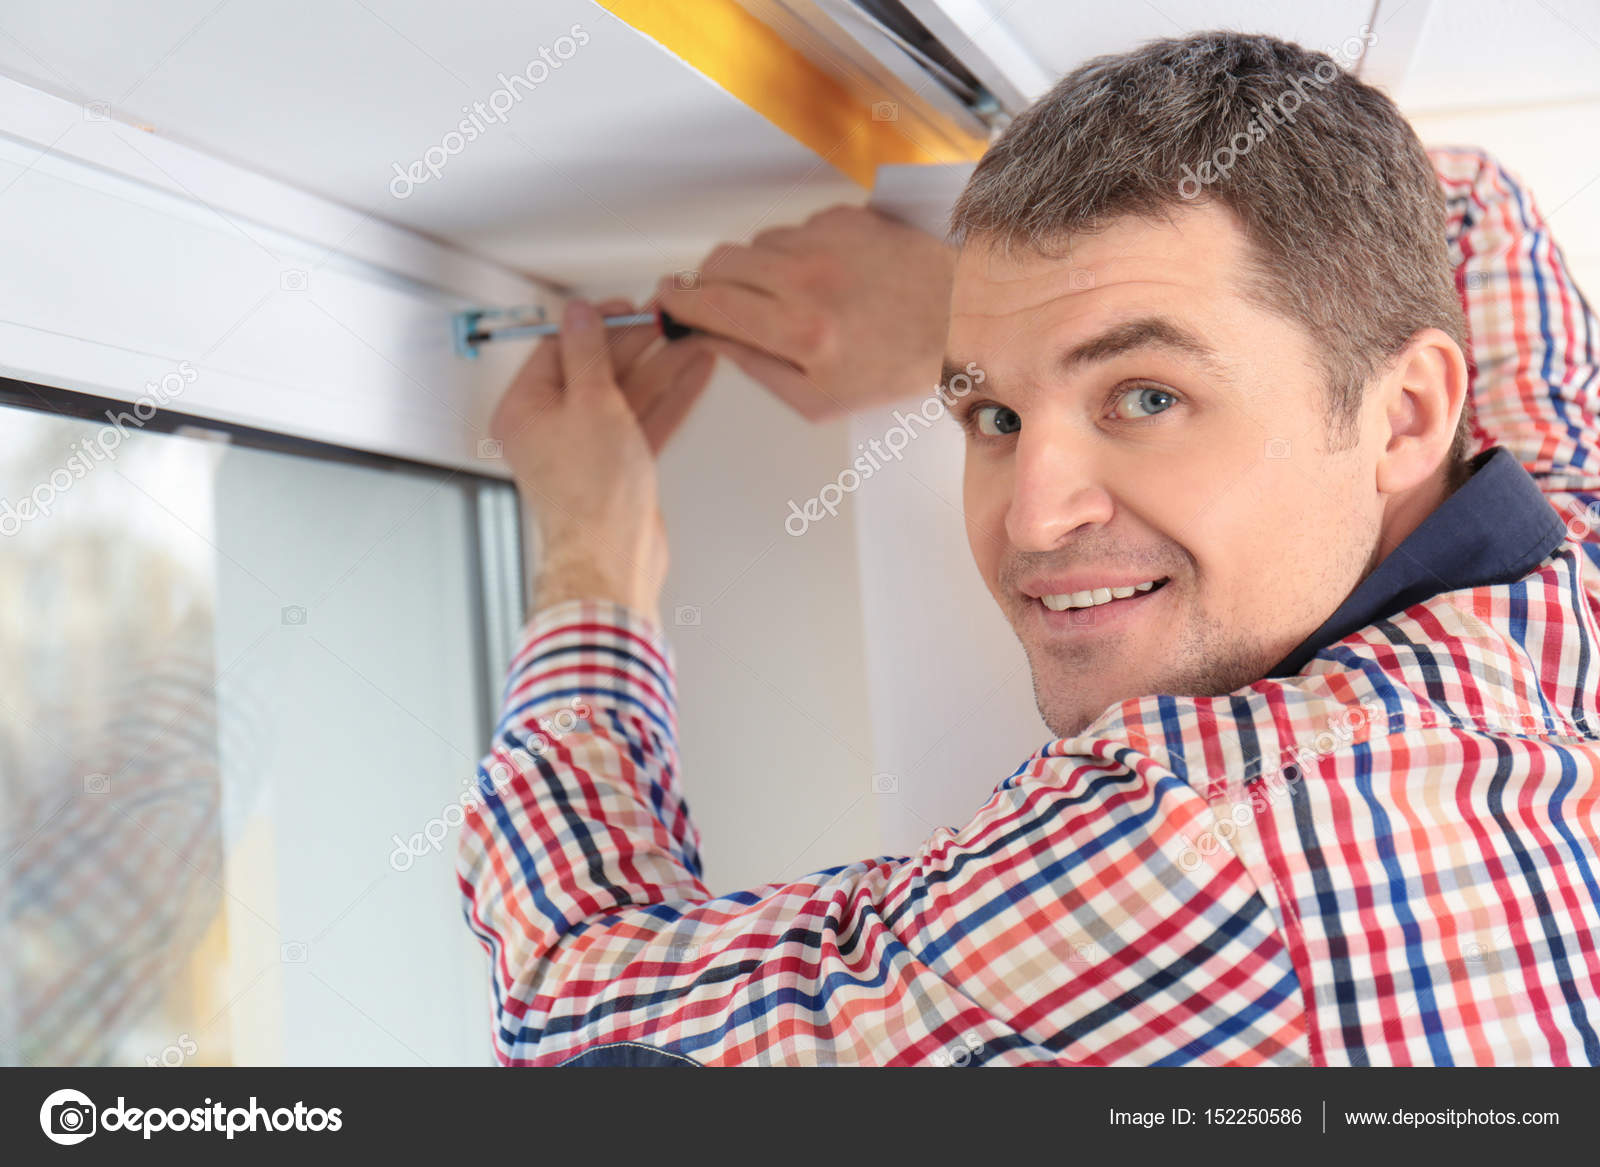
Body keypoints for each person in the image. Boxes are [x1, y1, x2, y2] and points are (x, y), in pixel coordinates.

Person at [456, 32, 1600, 1066]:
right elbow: (1461, 200)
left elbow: (568, 1002)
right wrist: (1011, 321)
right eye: (993, 416)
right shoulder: (1569, 565)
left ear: (1404, 415)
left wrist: (590, 561)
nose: (1031, 519)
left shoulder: (1191, 849)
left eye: (1145, 396)